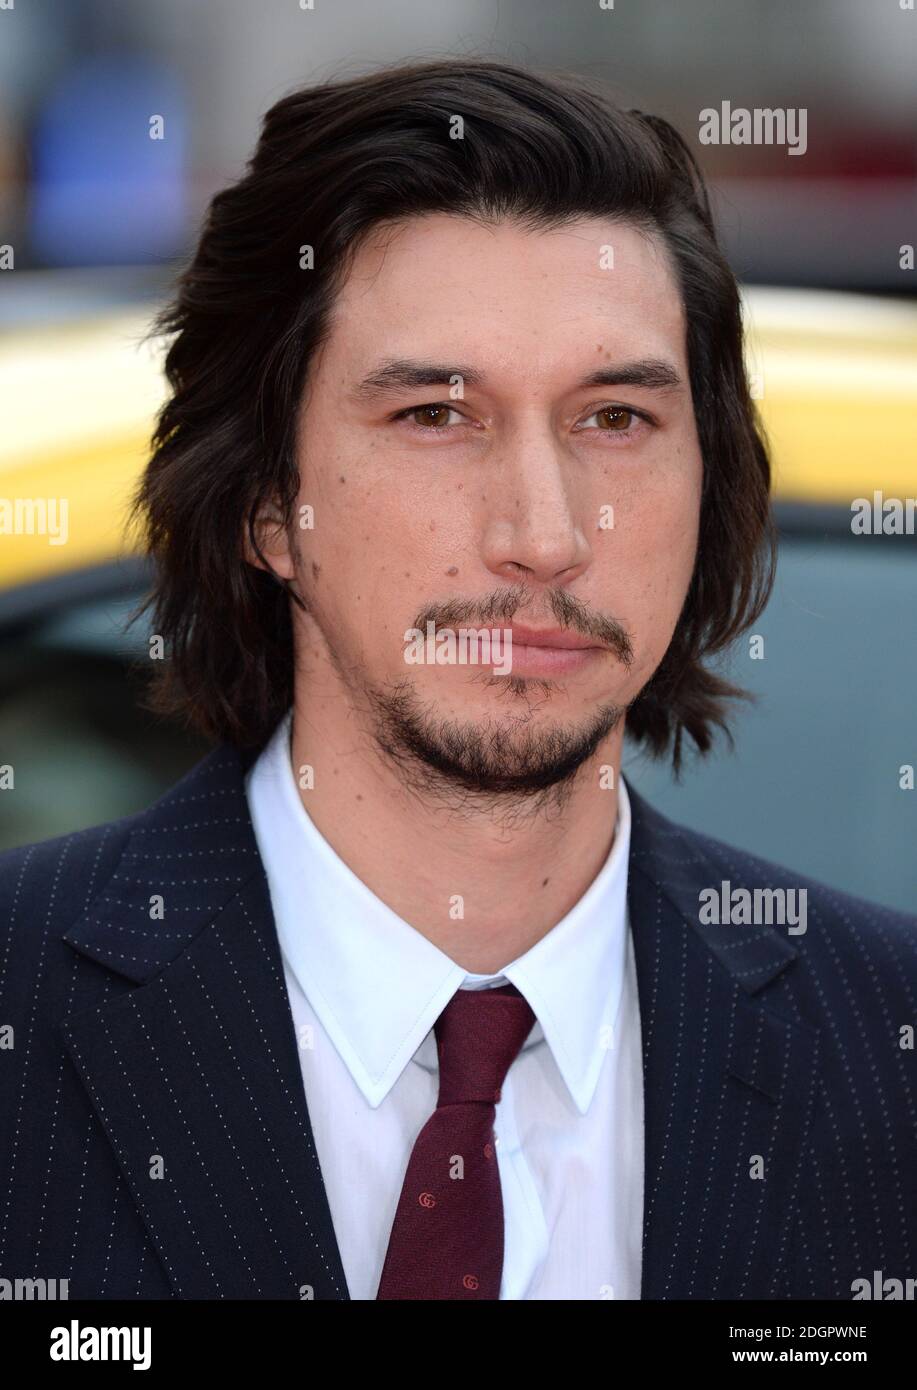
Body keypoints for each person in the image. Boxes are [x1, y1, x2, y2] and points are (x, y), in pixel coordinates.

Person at [1, 59, 914, 1302]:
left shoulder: (886, 1046)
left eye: (614, 420)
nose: (542, 533)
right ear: (267, 502)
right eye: (436, 415)